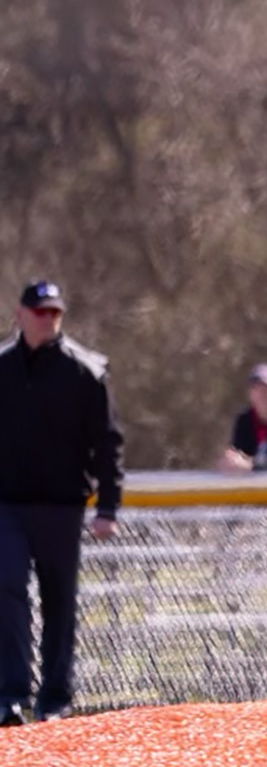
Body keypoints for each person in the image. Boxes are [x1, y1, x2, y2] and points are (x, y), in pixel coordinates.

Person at [0, 280, 124, 724]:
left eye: (54, 312)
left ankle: (54, 698)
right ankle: (11, 692)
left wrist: (108, 506)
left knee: (58, 599)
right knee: (7, 584)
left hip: (61, 504)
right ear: (20, 314)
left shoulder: (85, 371)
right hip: (8, 504)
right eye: (40, 312)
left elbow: (108, 444)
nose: (48, 319)